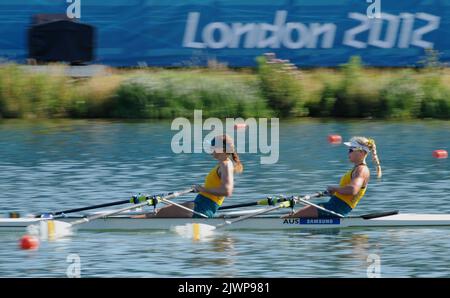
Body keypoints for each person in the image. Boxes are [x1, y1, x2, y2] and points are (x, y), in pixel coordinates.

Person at [139, 134, 243, 218]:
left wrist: (202, 189)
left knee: (155, 213)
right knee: (158, 212)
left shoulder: (225, 164)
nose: (210, 149)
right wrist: (202, 189)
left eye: (213, 147)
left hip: (202, 208)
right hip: (201, 204)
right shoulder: (223, 164)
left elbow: (227, 191)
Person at [283, 136, 381, 218]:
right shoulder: (357, 169)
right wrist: (335, 191)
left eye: (351, 150)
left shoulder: (362, 170)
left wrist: (334, 188)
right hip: (333, 206)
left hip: (336, 209)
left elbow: (353, 190)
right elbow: (347, 190)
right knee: (294, 216)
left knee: (292, 217)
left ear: (362, 152)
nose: (348, 153)